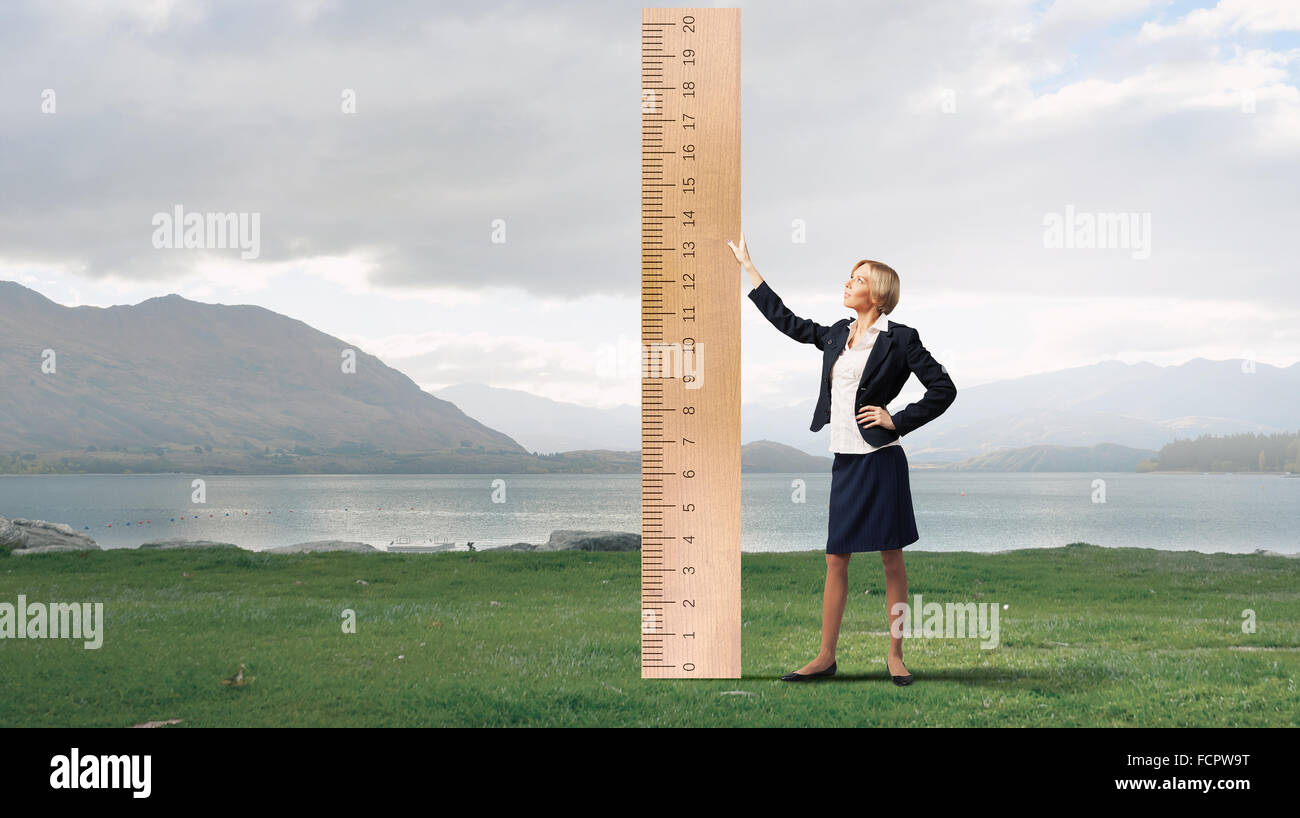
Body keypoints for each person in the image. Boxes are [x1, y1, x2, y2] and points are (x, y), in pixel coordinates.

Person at [728, 232, 957, 686]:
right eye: (850, 278)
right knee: (837, 558)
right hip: (846, 462)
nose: (847, 284)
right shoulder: (837, 333)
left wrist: (898, 419)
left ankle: (895, 655)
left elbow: (943, 388)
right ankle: (825, 657)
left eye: (857, 279)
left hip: (882, 460)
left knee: (892, 557)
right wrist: (750, 270)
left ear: (878, 293)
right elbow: (790, 323)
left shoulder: (902, 339)